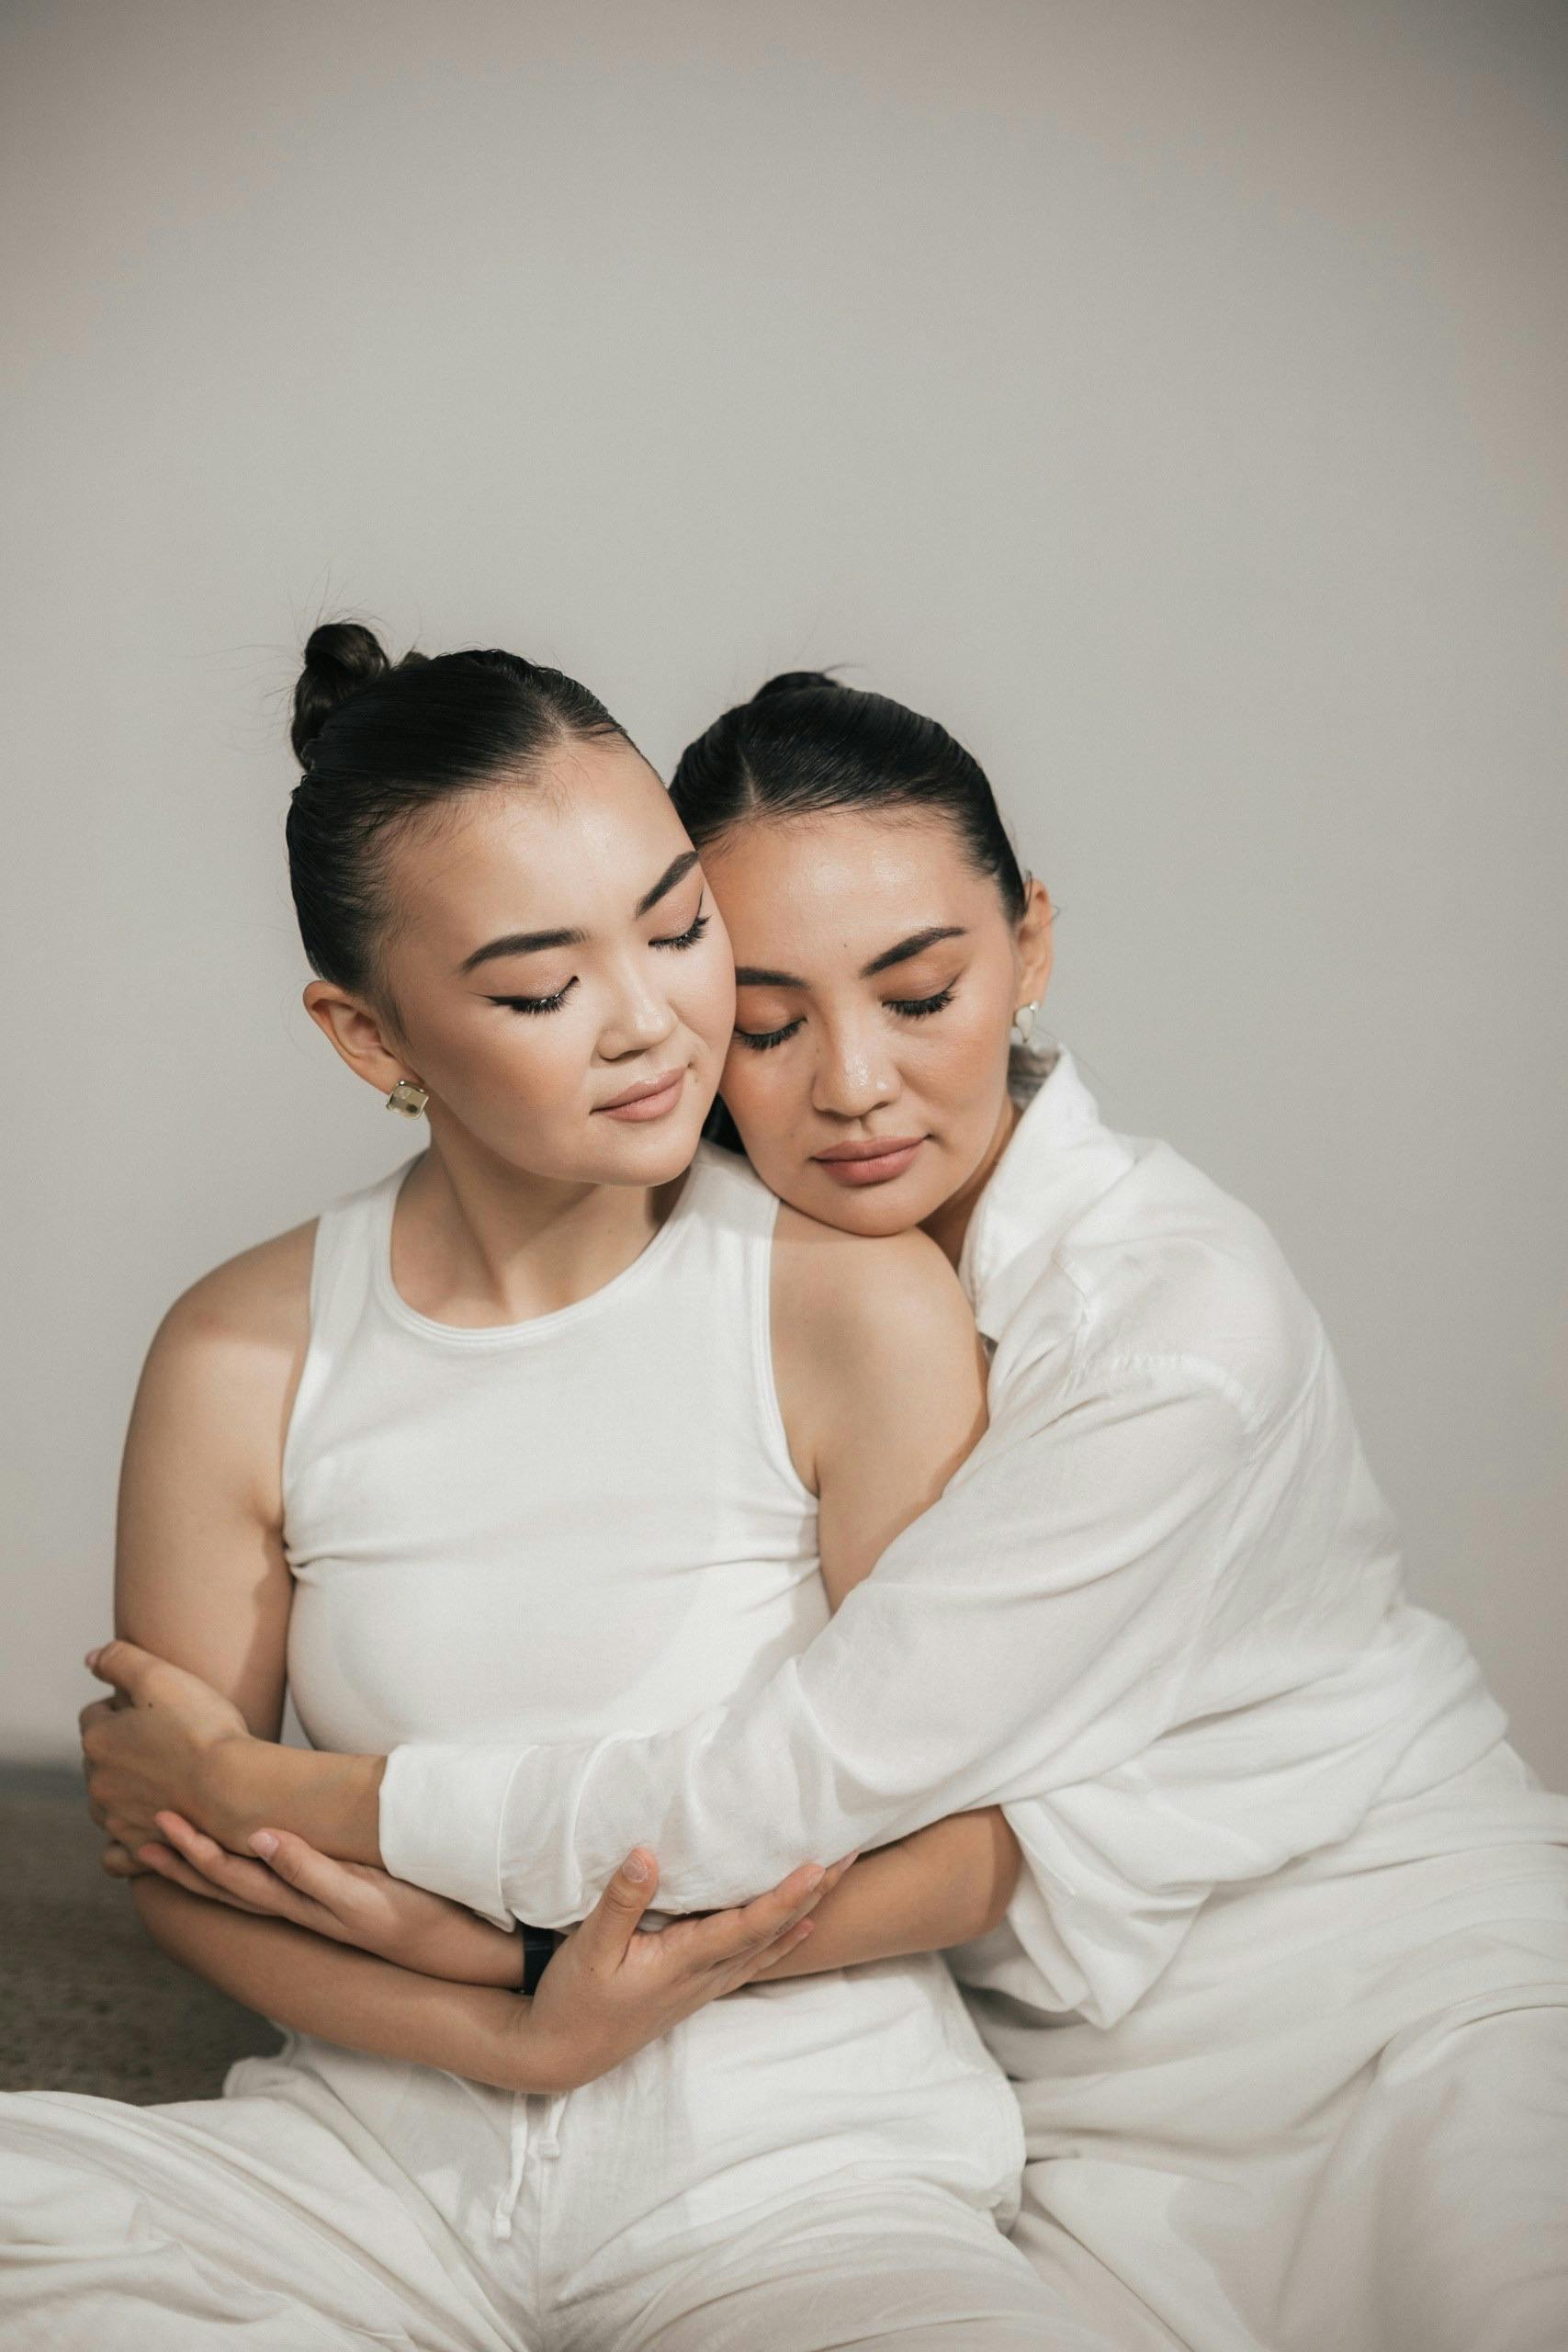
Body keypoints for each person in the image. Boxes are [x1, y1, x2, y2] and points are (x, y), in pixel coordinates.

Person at [85, 669, 1568, 2352]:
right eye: (771, 1022)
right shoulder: (756, 1268)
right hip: (1057, 2092)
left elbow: (806, 1786)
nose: (851, 1085)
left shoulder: (1165, 1336)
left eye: (924, 993)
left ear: (1030, 946)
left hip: (1377, 1984)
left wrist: (354, 1859)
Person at [2, 633, 1084, 2352]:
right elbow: (178, 1849)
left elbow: (971, 1853)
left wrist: (519, 1960)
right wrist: (512, 2045)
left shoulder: (849, 1308)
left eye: (674, 926)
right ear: (370, 1034)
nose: (654, 1022)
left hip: (796, 2167)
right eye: (537, 988)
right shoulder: (237, 1353)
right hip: (368, 2174)